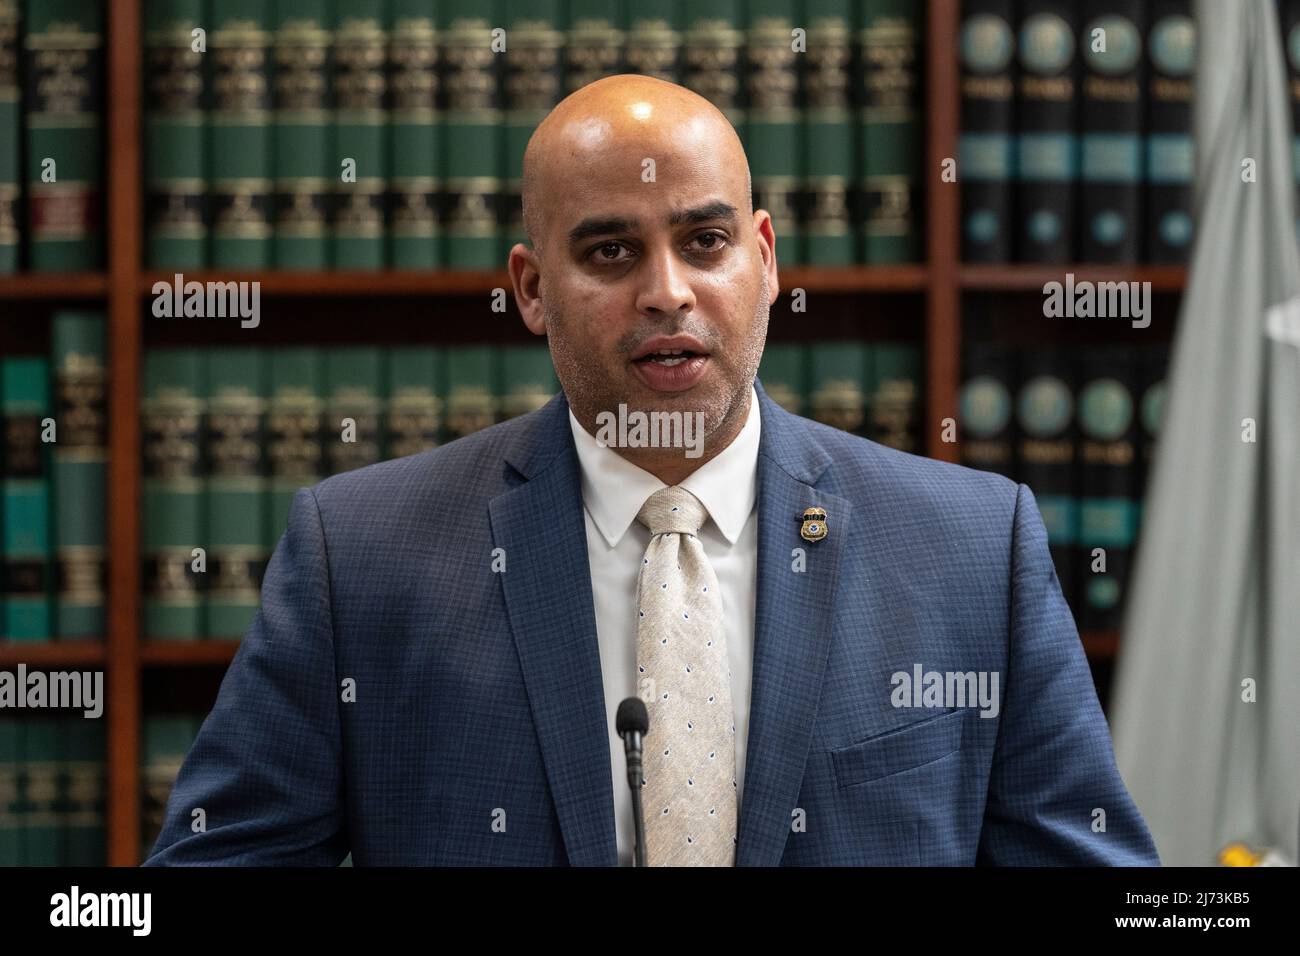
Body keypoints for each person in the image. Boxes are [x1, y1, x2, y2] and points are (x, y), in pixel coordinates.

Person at [145, 75, 1158, 867]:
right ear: (532, 290)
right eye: (610, 252)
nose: (667, 292)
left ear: (764, 259)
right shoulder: (359, 556)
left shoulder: (972, 549)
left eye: (705, 241)